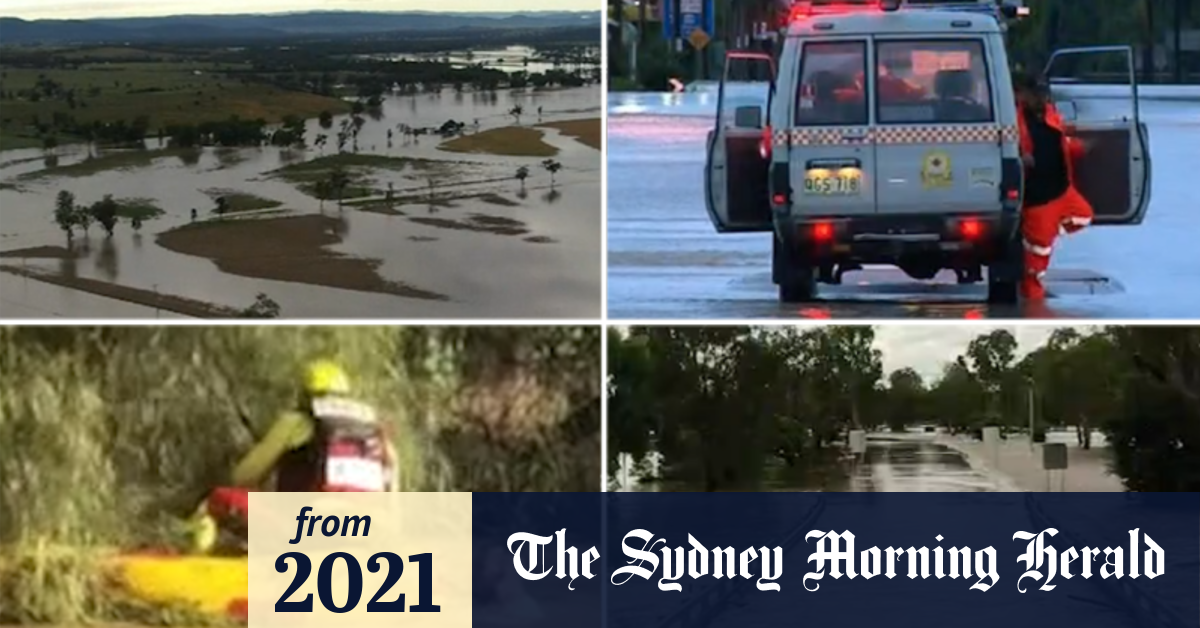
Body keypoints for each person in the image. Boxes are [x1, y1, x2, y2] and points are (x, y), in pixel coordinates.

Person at [189, 360, 398, 553]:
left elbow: (244, 477)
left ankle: (196, 565)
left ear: (305, 395)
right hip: (373, 531)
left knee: (217, 500)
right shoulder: (378, 435)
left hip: (314, 529)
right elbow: (393, 497)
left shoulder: (297, 422)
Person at [1014, 71, 1094, 300]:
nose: (1039, 98)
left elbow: (1059, 142)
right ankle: (1033, 298)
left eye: (1042, 94)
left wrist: (1078, 147)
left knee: (1085, 215)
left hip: (1062, 189)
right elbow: (1008, 145)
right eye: (1033, 93)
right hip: (1038, 196)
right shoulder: (1013, 117)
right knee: (1039, 252)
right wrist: (1022, 157)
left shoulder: (1051, 114)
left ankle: (1045, 232)